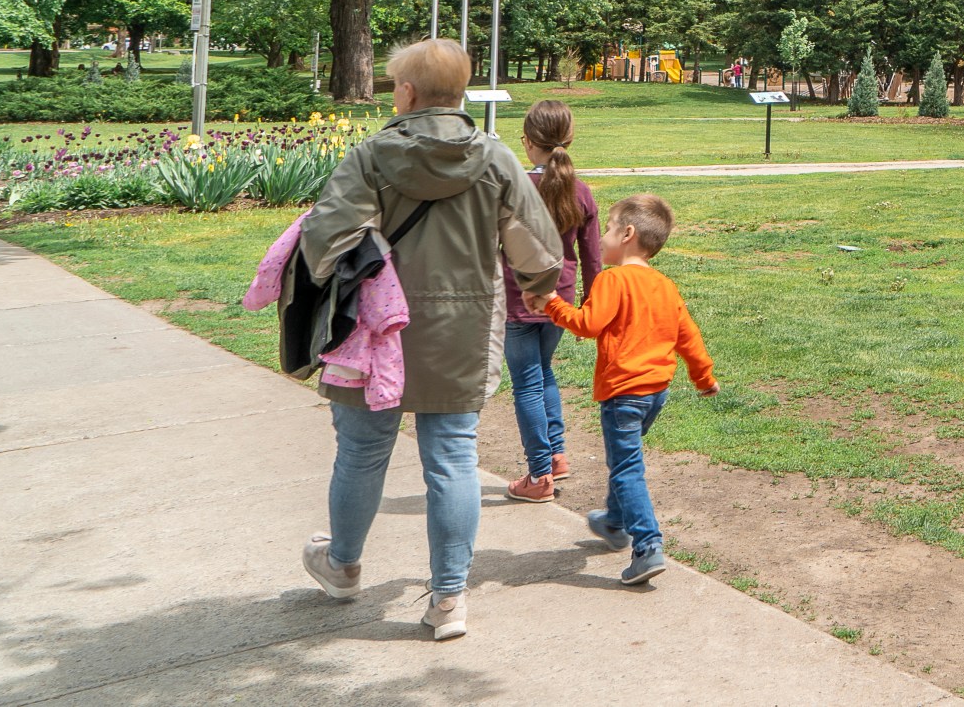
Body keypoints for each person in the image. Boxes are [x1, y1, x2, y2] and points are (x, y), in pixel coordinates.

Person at [298, 38, 566, 641]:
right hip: (463, 330)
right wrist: (531, 286)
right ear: (461, 93)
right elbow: (540, 254)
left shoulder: (370, 158)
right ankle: (449, 600)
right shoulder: (497, 161)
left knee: (361, 453)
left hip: (373, 333)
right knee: (453, 460)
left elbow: (322, 246)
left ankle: (342, 565)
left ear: (409, 92)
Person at [541, 193, 716, 585]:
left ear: (628, 234)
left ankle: (648, 546)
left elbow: (588, 324)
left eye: (608, 228)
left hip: (624, 394)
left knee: (626, 469)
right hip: (656, 393)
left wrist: (551, 303)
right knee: (627, 461)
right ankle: (615, 521)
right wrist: (704, 378)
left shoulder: (612, 279)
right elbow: (688, 337)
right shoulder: (665, 286)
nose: (601, 236)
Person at [500, 99, 600, 503]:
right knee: (545, 373)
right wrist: (590, 309)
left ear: (527, 142)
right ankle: (557, 455)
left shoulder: (513, 188)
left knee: (526, 384)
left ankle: (539, 475)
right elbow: (593, 258)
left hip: (519, 298)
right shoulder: (581, 191)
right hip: (561, 298)